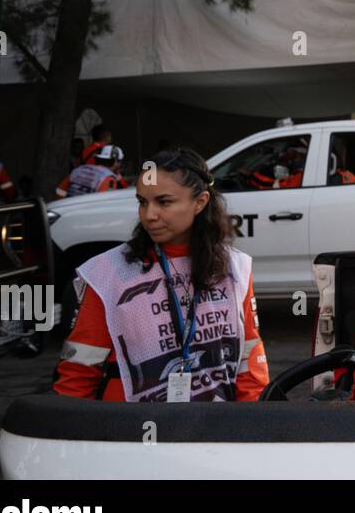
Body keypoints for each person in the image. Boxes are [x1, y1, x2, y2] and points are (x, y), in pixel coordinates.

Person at [54, 147, 268, 401]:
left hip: (211, 429)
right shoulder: (108, 272)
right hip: (126, 431)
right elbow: (80, 368)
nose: (149, 215)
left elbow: (248, 359)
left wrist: (251, 425)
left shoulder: (235, 267)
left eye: (164, 202)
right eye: (142, 202)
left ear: (200, 202)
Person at [56, 144, 127, 197]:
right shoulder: (108, 178)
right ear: (115, 162)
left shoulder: (78, 170)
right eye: (120, 162)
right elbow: (104, 203)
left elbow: (60, 191)